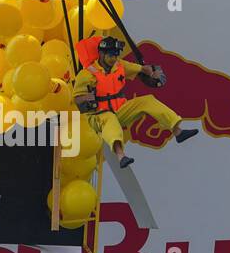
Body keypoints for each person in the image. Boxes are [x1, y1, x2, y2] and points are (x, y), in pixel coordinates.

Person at [72, 35, 197, 168]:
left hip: (120, 110)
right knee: (109, 119)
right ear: (101, 54)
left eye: (116, 55)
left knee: (147, 100)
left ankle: (177, 131)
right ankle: (121, 156)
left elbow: (140, 68)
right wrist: (88, 98)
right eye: (111, 55)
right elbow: (77, 98)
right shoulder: (87, 74)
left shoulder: (119, 65)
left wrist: (150, 72)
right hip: (98, 115)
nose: (114, 58)